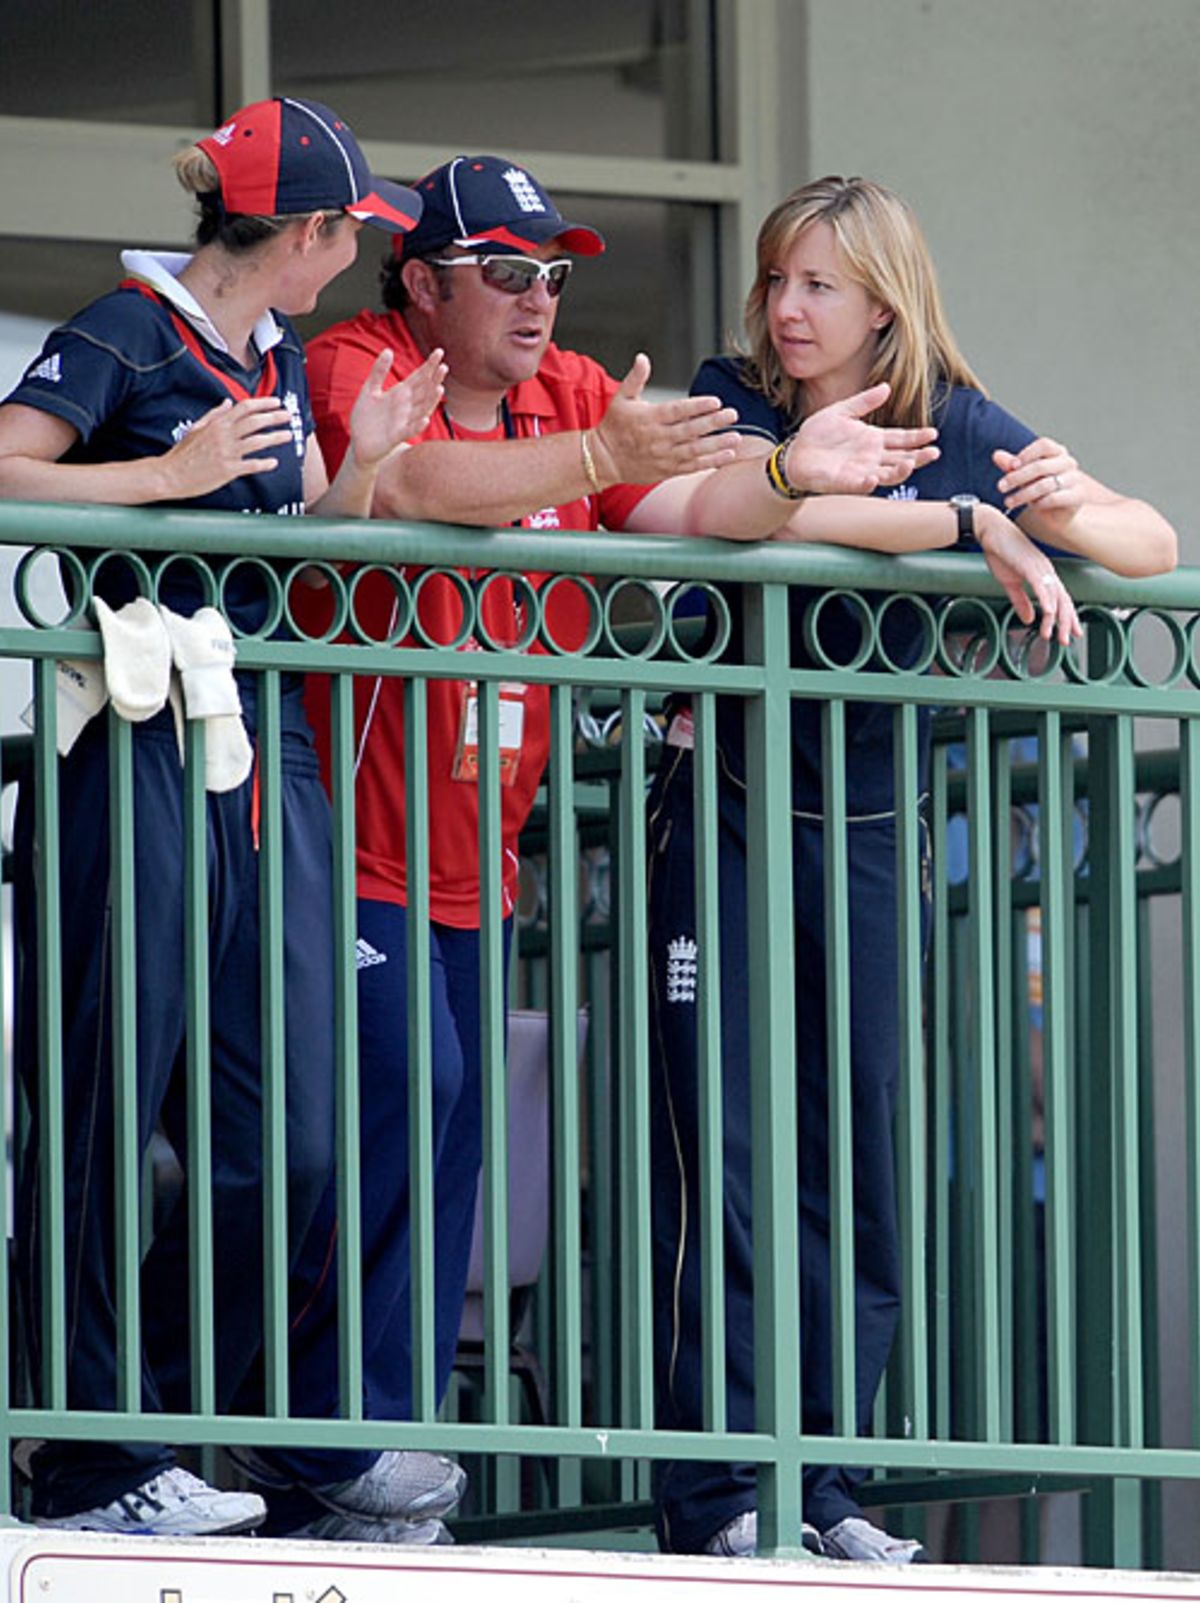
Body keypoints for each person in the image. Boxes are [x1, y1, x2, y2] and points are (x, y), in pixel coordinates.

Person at [245, 153, 948, 1538]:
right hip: (330, 837)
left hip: (474, 859)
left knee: (442, 1131)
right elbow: (412, 481)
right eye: (507, 273)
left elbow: (689, 510)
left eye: (556, 274)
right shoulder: (357, 356)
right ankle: (296, 1434)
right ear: (427, 282)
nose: (539, 299)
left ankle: (358, 1459)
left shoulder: (575, 395)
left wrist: (787, 477)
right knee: (379, 1106)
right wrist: (600, 457)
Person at [641, 175, 1177, 1565]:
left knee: (862, 1153)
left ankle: (826, 1489)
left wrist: (1056, 506)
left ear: (887, 298)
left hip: (871, 823)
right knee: (737, 1152)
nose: (787, 308)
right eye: (776, 280)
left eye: (817, 283)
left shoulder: (954, 412)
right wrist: (963, 528)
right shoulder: (736, 392)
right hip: (735, 810)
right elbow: (718, 518)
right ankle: (721, 1492)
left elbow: (1151, 544)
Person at [0, 95, 447, 1539]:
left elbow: (294, 536)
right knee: (101, 1106)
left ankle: (192, 1426)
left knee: (295, 1134)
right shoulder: (127, 331)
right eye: (348, 234)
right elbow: (10, 468)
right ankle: (83, 1460)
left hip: (264, 752)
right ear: (306, 233)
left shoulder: (269, 349)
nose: (351, 255)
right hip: (132, 734)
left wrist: (366, 461)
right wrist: (159, 482)